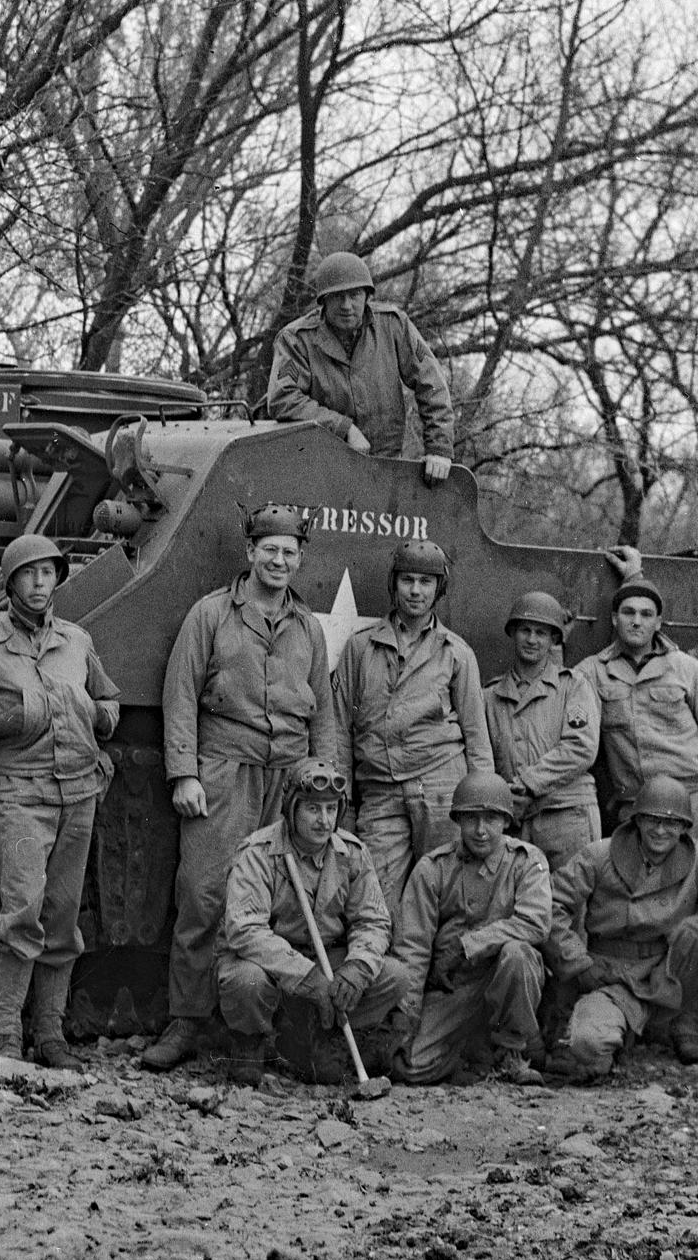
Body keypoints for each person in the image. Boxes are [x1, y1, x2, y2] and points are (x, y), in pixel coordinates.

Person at [143, 503, 341, 1073]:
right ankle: (186, 1021)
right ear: (250, 552)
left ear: (300, 560)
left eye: (290, 552)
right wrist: (184, 773)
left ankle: (266, 1033)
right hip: (225, 769)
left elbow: (322, 711)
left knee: (286, 903)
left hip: (289, 779)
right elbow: (180, 693)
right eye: (270, 549)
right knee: (205, 894)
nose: (279, 561)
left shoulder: (309, 628)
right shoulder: (211, 615)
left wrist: (323, 783)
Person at [0, 533, 120, 1069]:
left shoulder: (77, 641)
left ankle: (50, 1036)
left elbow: (108, 699)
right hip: (21, 795)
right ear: (9, 582)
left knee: (62, 916)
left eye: (48, 574)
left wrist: (97, 716)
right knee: (21, 914)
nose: (39, 584)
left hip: (78, 792)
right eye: (28, 574)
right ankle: (7, 1035)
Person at [574, 567, 698, 1052]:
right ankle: (645, 1014)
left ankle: (690, 1027)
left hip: (695, 797)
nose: (636, 621)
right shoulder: (593, 672)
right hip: (639, 806)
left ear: (658, 622)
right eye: (627, 612)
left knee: (695, 908)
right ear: (613, 618)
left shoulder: (685, 670)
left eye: (646, 614)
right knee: (651, 908)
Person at [546, 776, 698, 1084]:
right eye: (652, 820)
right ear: (637, 820)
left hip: (673, 970)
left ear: (684, 827)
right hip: (612, 974)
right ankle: (616, 1040)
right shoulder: (599, 855)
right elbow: (551, 907)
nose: (661, 831)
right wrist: (578, 961)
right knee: (588, 1048)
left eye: (672, 823)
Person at [216, 758, 411, 1086]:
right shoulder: (258, 854)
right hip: (272, 968)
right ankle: (249, 1048)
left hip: (326, 963)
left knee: (395, 976)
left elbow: (373, 920)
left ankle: (320, 1042)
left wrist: (356, 970)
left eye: (331, 810)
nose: (324, 821)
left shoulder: (351, 853)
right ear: (291, 809)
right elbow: (245, 931)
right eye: (312, 809)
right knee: (246, 980)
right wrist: (308, 978)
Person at [333, 539, 493, 915]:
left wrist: (481, 806)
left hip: (440, 790)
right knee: (373, 905)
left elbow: (476, 735)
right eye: (408, 580)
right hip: (380, 792)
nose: (416, 591)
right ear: (394, 584)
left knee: (449, 900)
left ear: (440, 588)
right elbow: (339, 727)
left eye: (426, 581)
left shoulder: (456, 652)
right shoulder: (361, 648)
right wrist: (341, 798)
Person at [389, 772, 553, 1086]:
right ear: (457, 821)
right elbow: (413, 945)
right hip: (455, 986)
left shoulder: (527, 862)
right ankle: (473, 1051)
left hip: (502, 979)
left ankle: (511, 1052)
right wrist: (407, 1015)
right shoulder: (433, 867)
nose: (480, 831)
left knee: (518, 955)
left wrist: (467, 946)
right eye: (470, 819)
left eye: (490, 819)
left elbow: (534, 922)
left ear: (506, 822)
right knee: (411, 1068)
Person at [264, 250, 456, 485]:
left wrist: (439, 448)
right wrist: (344, 428)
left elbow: (432, 383)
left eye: (354, 295)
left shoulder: (394, 326)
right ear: (324, 301)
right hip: (320, 470)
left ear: (367, 295)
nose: (346, 305)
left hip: (385, 466)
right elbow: (282, 398)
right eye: (337, 296)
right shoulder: (297, 339)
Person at [482, 591, 602, 873]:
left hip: (566, 815)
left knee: (569, 908)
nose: (532, 640)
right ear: (512, 633)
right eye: (525, 630)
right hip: (516, 821)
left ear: (553, 640)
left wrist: (526, 783)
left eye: (541, 633)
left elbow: (580, 748)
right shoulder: (490, 695)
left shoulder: (573, 686)